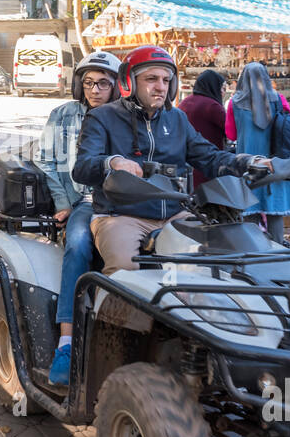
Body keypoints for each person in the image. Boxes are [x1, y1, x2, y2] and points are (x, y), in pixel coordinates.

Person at [72, 46, 269, 280]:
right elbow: (82, 168)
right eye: (151, 79)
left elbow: (210, 157)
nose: (161, 87)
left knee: (215, 265)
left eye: (166, 80)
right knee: (125, 270)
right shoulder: (102, 117)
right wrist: (112, 162)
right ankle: (115, 317)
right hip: (120, 216)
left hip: (176, 214)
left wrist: (248, 161)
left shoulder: (176, 118)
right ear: (129, 83)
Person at [34, 51, 121, 385]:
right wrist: (64, 201)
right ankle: (66, 343)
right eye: (88, 83)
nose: (95, 90)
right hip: (83, 201)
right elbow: (46, 160)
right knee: (78, 244)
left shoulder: (126, 117)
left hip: (124, 203)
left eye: (102, 83)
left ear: (117, 86)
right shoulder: (63, 115)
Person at [225, 62, 290, 242]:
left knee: (251, 212)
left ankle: (256, 251)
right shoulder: (279, 99)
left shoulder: (234, 102)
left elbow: (231, 134)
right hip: (275, 162)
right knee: (275, 212)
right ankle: (277, 251)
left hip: (248, 164)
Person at [177, 68, 227, 186]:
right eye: (222, 88)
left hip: (186, 161)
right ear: (214, 87)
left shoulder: (185, 102)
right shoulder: (212, 106)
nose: (223, 92)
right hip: (208, 160)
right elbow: (230, 130)